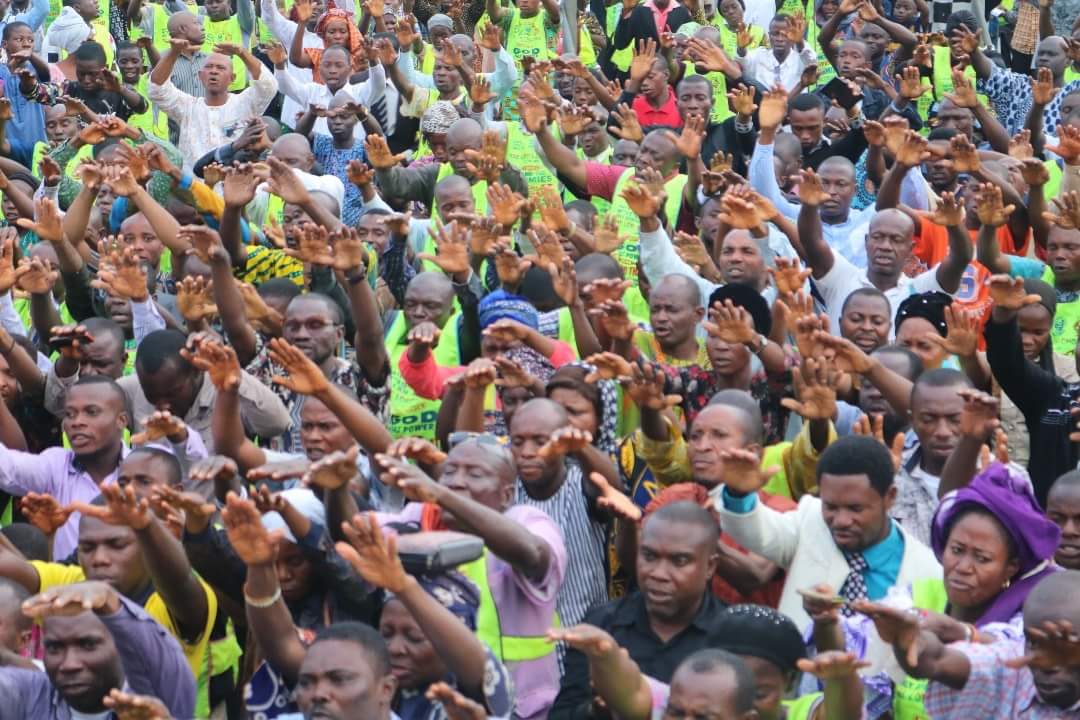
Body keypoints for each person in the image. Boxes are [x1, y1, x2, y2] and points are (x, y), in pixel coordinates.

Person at [550, 501, 731, 718]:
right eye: (649, 556)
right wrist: (601, 711)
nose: (659, 573)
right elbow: (562, 714)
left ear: (710, 566)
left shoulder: (733, 635)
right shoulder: (602, 626)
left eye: (679, 561)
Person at [860, 569, 1080, 717]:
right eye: (1035, 643)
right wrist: (906, 638)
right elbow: (937, 660)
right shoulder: (1011, 664)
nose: (1049, 664)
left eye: (1067, 647)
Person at [0, 581, 196, 718]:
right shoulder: (29, 693)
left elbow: (167, 659)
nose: (69, 664)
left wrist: (112, 604)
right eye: (54, 648)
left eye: (87, 645)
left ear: (120, 646)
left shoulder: (151, 698)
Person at [147, 37, 278, 166]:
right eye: (209, 67)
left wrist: (241, 52)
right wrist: (174, 52)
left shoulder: (245, 103)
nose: (214, 71)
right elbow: (156, 90)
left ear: (232, 78)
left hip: (236, 181)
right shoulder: (187, 106)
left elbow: (268, 85)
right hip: (195, 185)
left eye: (220, 68)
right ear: (200, 76)